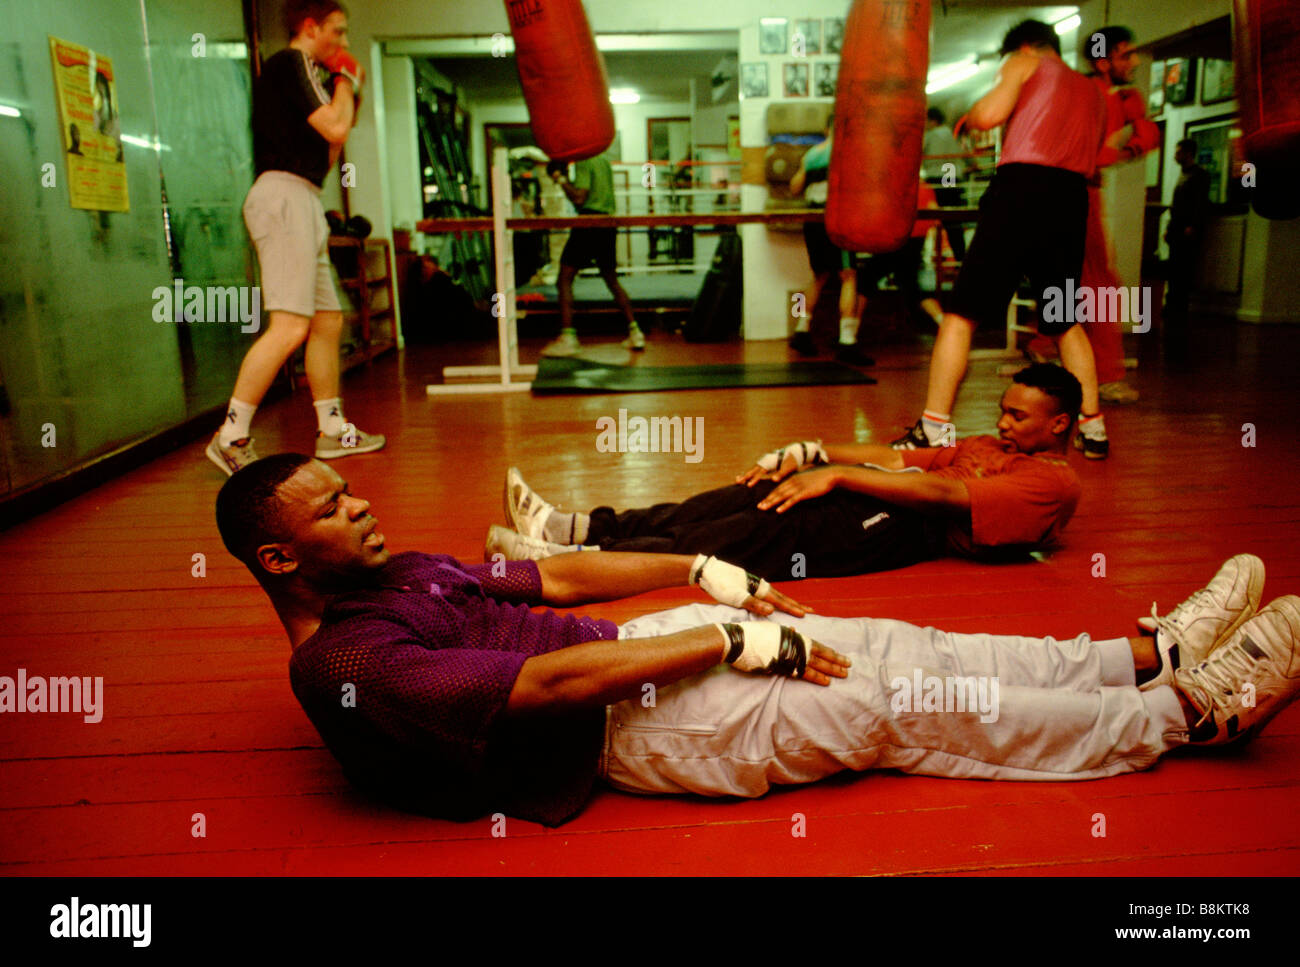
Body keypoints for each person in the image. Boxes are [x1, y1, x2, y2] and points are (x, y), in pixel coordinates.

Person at [214, 457, 1300, 826]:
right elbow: (544, 685)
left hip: (655, 647)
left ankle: (1136, 657)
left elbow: (556, 576)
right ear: (278, 559)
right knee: (892, 704)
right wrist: (726, 647)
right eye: (330, 507)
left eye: (348, 488)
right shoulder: (345, 666)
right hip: (621, 730)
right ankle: (1179, 717)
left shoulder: (397, 571)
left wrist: (700, 577)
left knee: (899, 637)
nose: (358, 506)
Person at [491, 364, 1082, 581]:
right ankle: (576, 528)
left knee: (762, 533)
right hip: (887, 497)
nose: (1003, 422)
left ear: (1058, 426)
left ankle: (571, 567)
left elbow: (938, 493)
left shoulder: (1051, 481)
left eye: (1018, 416)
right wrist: (812, 452)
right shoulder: (986, 443)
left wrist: (837, 479)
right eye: (1004, 409)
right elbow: (899, 457)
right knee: (749, 492)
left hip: (906, 528)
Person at [893, 20, 1111, 459]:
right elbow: (1094, 157)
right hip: (1070, 199)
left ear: (1026, 46)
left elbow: (990, 114)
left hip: (1020, 191)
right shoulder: (1093, 91)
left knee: (960, 315)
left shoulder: (1022, 60)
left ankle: (934, 428)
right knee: (1064, 320)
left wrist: (970, 117)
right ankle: (1094, 427)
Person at [207, 0, 384, 476]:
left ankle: (332, 431)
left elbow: (329, 150)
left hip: (302, 196)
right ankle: (231, 435)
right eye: (339, 33)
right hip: (282, 197)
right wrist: (347, 80)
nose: (344, 44)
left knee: (326, 321)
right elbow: (335, 124)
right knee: (289, 325)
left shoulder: (308, 79)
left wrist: (347, 93)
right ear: (311, 27)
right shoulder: (294, 62)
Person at [1023, 26, 1160, 406]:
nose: (1133, 62)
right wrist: (1126, 148)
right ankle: (1107, 376)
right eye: (1125, 55)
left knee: (1075, 280)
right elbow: (1094, 154)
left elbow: (1148, 137)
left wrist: (1131, 138)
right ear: (1103, 61)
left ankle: (1043, 342)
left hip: (1067, 193)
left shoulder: (1110, 97)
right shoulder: (1090, 97)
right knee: (1099, 284)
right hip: (1074, 192)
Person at [787, 117, 874, 366]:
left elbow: (794, 188)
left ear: (825, 129)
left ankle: (801, 329)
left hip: (812, 220)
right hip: (837, 219)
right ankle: (847, 341)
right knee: (849, 275)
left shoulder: (811, 154)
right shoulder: (848, 153)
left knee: (819, 276)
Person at [541, 153, 646, 356]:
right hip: (607, 224)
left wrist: (561, 180)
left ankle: (568, 338)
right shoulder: (604, 159)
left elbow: (580, 197)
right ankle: (636, 332)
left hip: (589, 223)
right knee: (612, 281)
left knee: (564, 279)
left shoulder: (583, 160)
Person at [853, 178, 946, 331]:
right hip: (915, 242)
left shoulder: (893, 187)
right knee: (911, 287)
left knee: (865, 280)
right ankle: (943, 322)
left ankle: (850, 330)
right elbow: (935, 216)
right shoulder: (924, 187)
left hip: (896, 240)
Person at [1163, 138, 1211, 354]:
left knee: (1181, 272)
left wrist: (1192, 225)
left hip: (1185, 232)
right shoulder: (1189, 175)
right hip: (1179, 230)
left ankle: (1177, 312)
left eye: (1179, 152)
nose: (1175, 156)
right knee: (1176, 272)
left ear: (1188, 153)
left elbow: (1199, 204)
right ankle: (1174, 311)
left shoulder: (1198, 176)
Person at [921, 107, 971, 261]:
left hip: (938, 177)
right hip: (951, 175)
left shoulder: (930, 135)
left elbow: (919, 152)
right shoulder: (949, 134)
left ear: (932, 120)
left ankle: (920, 256)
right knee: (952, 218)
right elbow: (962, 154)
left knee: (928, 216)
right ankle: (960, 257)